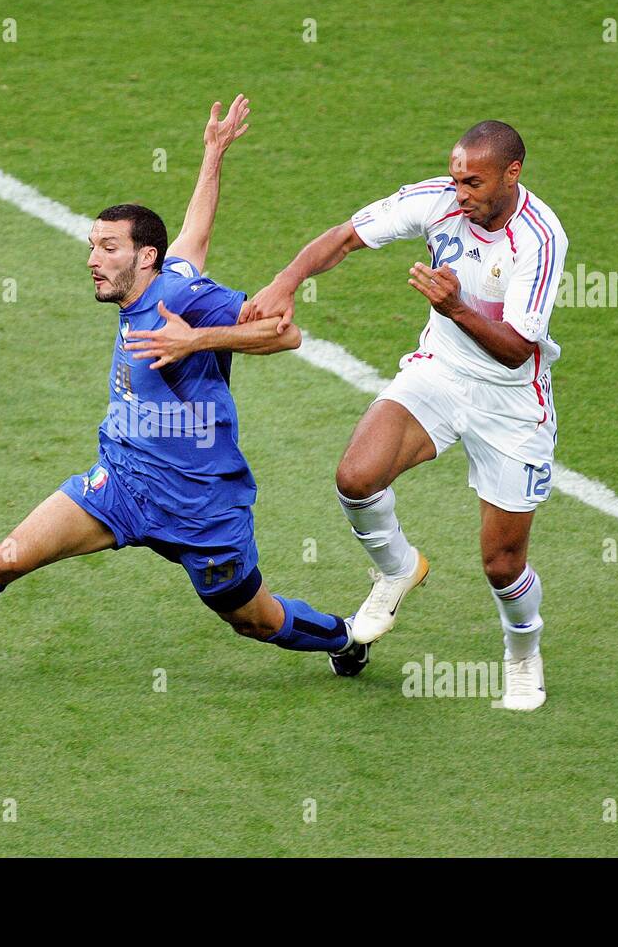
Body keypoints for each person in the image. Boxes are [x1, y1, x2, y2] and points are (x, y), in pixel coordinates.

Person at [0, 96, 373, 686]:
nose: (93, 260)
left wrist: (197, 342)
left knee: (254, 620)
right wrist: (213, 154)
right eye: (92, 246)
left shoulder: (187, 300)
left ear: (145, 257)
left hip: (201, 507)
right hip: (121, 482)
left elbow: (284, 332)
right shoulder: (163, 277)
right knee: (7, 557)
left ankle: (344, 637)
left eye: (107, 248)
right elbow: (193, 235)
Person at [241, 121, 567, 710]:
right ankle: (396, 569)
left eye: (474, 182)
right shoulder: (437, 202)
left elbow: (518, 350)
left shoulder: (540, 240)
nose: (460, 192)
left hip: (512, 405)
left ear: (512, 175)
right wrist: (286, 281)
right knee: (356, 477)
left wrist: (455, 306)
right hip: (439, 372)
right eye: (455, 177)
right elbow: (344, 238)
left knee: (501, 564)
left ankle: (523, 654)